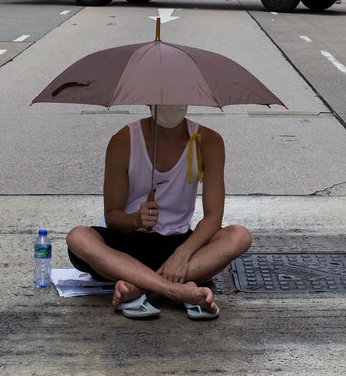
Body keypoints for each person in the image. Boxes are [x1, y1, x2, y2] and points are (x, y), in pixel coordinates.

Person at [65, 105, 252, 320]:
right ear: (148, 101)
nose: (171, 104)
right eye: (162, 98)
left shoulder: (208, 141)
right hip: (126, 248)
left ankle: (141, 287)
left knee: (239, 235)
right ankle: (177, 291)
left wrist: (182, 254)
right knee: (78, 237)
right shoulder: (123, 141)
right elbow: (113, 216)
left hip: (177, 247)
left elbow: (213, 217)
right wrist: (136, 220)